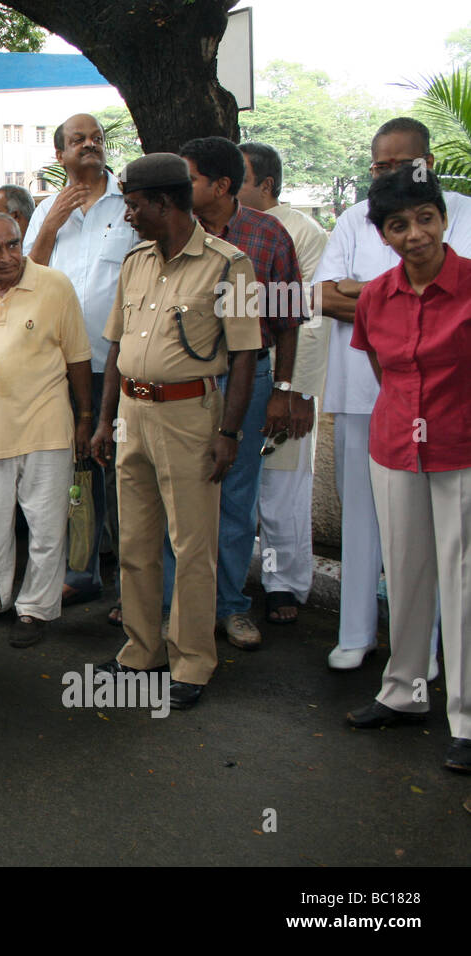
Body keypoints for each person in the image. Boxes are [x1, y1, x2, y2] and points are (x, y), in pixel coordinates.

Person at [89, 153, 263, 711]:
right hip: (133, 415)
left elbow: (243, 356)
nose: (127, 215)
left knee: (192, 546)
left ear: (164, 203)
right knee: (136, 542)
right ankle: (142, 648)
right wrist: (104, 420)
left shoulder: (229, 265)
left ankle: (191, 659)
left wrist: (229, 433)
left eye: (134, 204)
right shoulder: (136, 260)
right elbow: (116, 345)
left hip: (192, 417)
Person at [312, 117, 471, 670]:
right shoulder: (358, 217)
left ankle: (428, 654)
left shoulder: (460, 209)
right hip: (368, 395)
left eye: (398, 165)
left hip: (448, 403)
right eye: (378, 165)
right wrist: (395, 302)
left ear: (425, 163)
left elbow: (453, 291)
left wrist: (377, 296)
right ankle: (357, 634)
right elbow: (326, 297)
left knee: (438, 543)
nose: (385, 174)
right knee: (365, 521)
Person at [343, 168, 471, 775]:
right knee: (407, 575)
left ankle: (467, 720)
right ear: (384, 236)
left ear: (443, 219)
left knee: (463, 583)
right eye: (399, 225)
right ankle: (405, 692)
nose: (415, 233)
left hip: (462, 452)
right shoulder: (376, 296)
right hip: (394, 449)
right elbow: (381, 367)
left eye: (425, 218)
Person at [163, 136, 305, 652]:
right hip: (183, 382)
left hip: (252, 379)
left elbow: (287, 323)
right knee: (176, 497)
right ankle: (172, 609)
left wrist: (283, 391)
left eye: (190, 179)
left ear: (220, 186)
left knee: (236, 500)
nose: (180, 190)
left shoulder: (268, 235)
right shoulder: (171, 235)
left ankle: (230, 608)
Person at [0, 213, 92, 647]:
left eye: (13, 244)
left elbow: (79, 360)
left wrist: (86, 418)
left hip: (45, 428)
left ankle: (35, 610)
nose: (6, 256)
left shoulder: (55, 286)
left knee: (46, 527)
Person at [24, 112, 139, 609]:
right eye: (78, 140)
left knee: (124, 470)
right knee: (78, 470)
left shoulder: (129, 203)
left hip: (120, 362)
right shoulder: (47, 210)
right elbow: (29, 275)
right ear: (60, 154)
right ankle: (82, 569)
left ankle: (133, 585)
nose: (90, 144)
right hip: (64, 367)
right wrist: (49, 224)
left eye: (96, 138)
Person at [237, 142, 329, 626]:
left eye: (243, 177)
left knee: (282, 489)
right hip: (238, 380)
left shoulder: (303, 231)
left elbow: (311, 317)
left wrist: (294, 391)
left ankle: (283, 584)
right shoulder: (223, 229)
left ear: (266, 185)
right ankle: (235, 585)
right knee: (237, 488)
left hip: (284, 380)